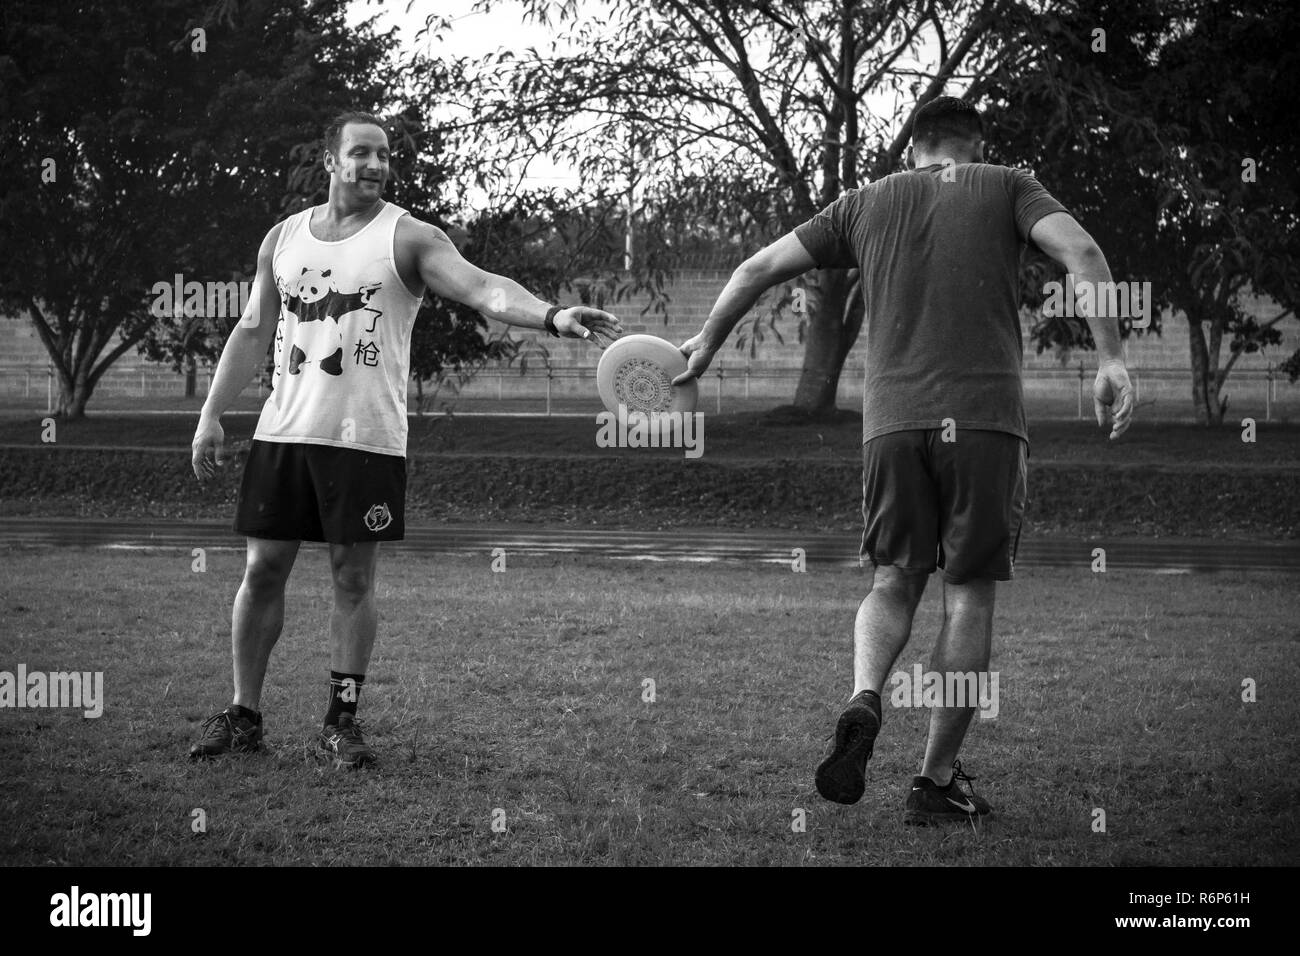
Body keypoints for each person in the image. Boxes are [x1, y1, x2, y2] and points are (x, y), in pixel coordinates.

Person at [675, 96, 1133, 824]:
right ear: (974, 146)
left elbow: (758, 265)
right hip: (983, 423)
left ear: (912, 146)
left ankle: (864, 695)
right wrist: (1110, 357)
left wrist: (706, 342)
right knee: (970, 591)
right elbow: (1081, 252)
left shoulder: (865, 202)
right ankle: (934, 781)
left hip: (889, 424)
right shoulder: (1008, 184)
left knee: (894, 580)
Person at [189, 110, 621, 767]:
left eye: (384, 155)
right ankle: (244, 715)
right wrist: (211, 414)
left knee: (352, 579)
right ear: (331, 161)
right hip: (283, 435)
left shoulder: (409, 237)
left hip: (366, 442)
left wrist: (553, 315)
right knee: (262, 569)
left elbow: (484, 290)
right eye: (361, 153)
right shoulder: (282, 238)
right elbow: (252, 332)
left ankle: (341, 723)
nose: (376, 165)